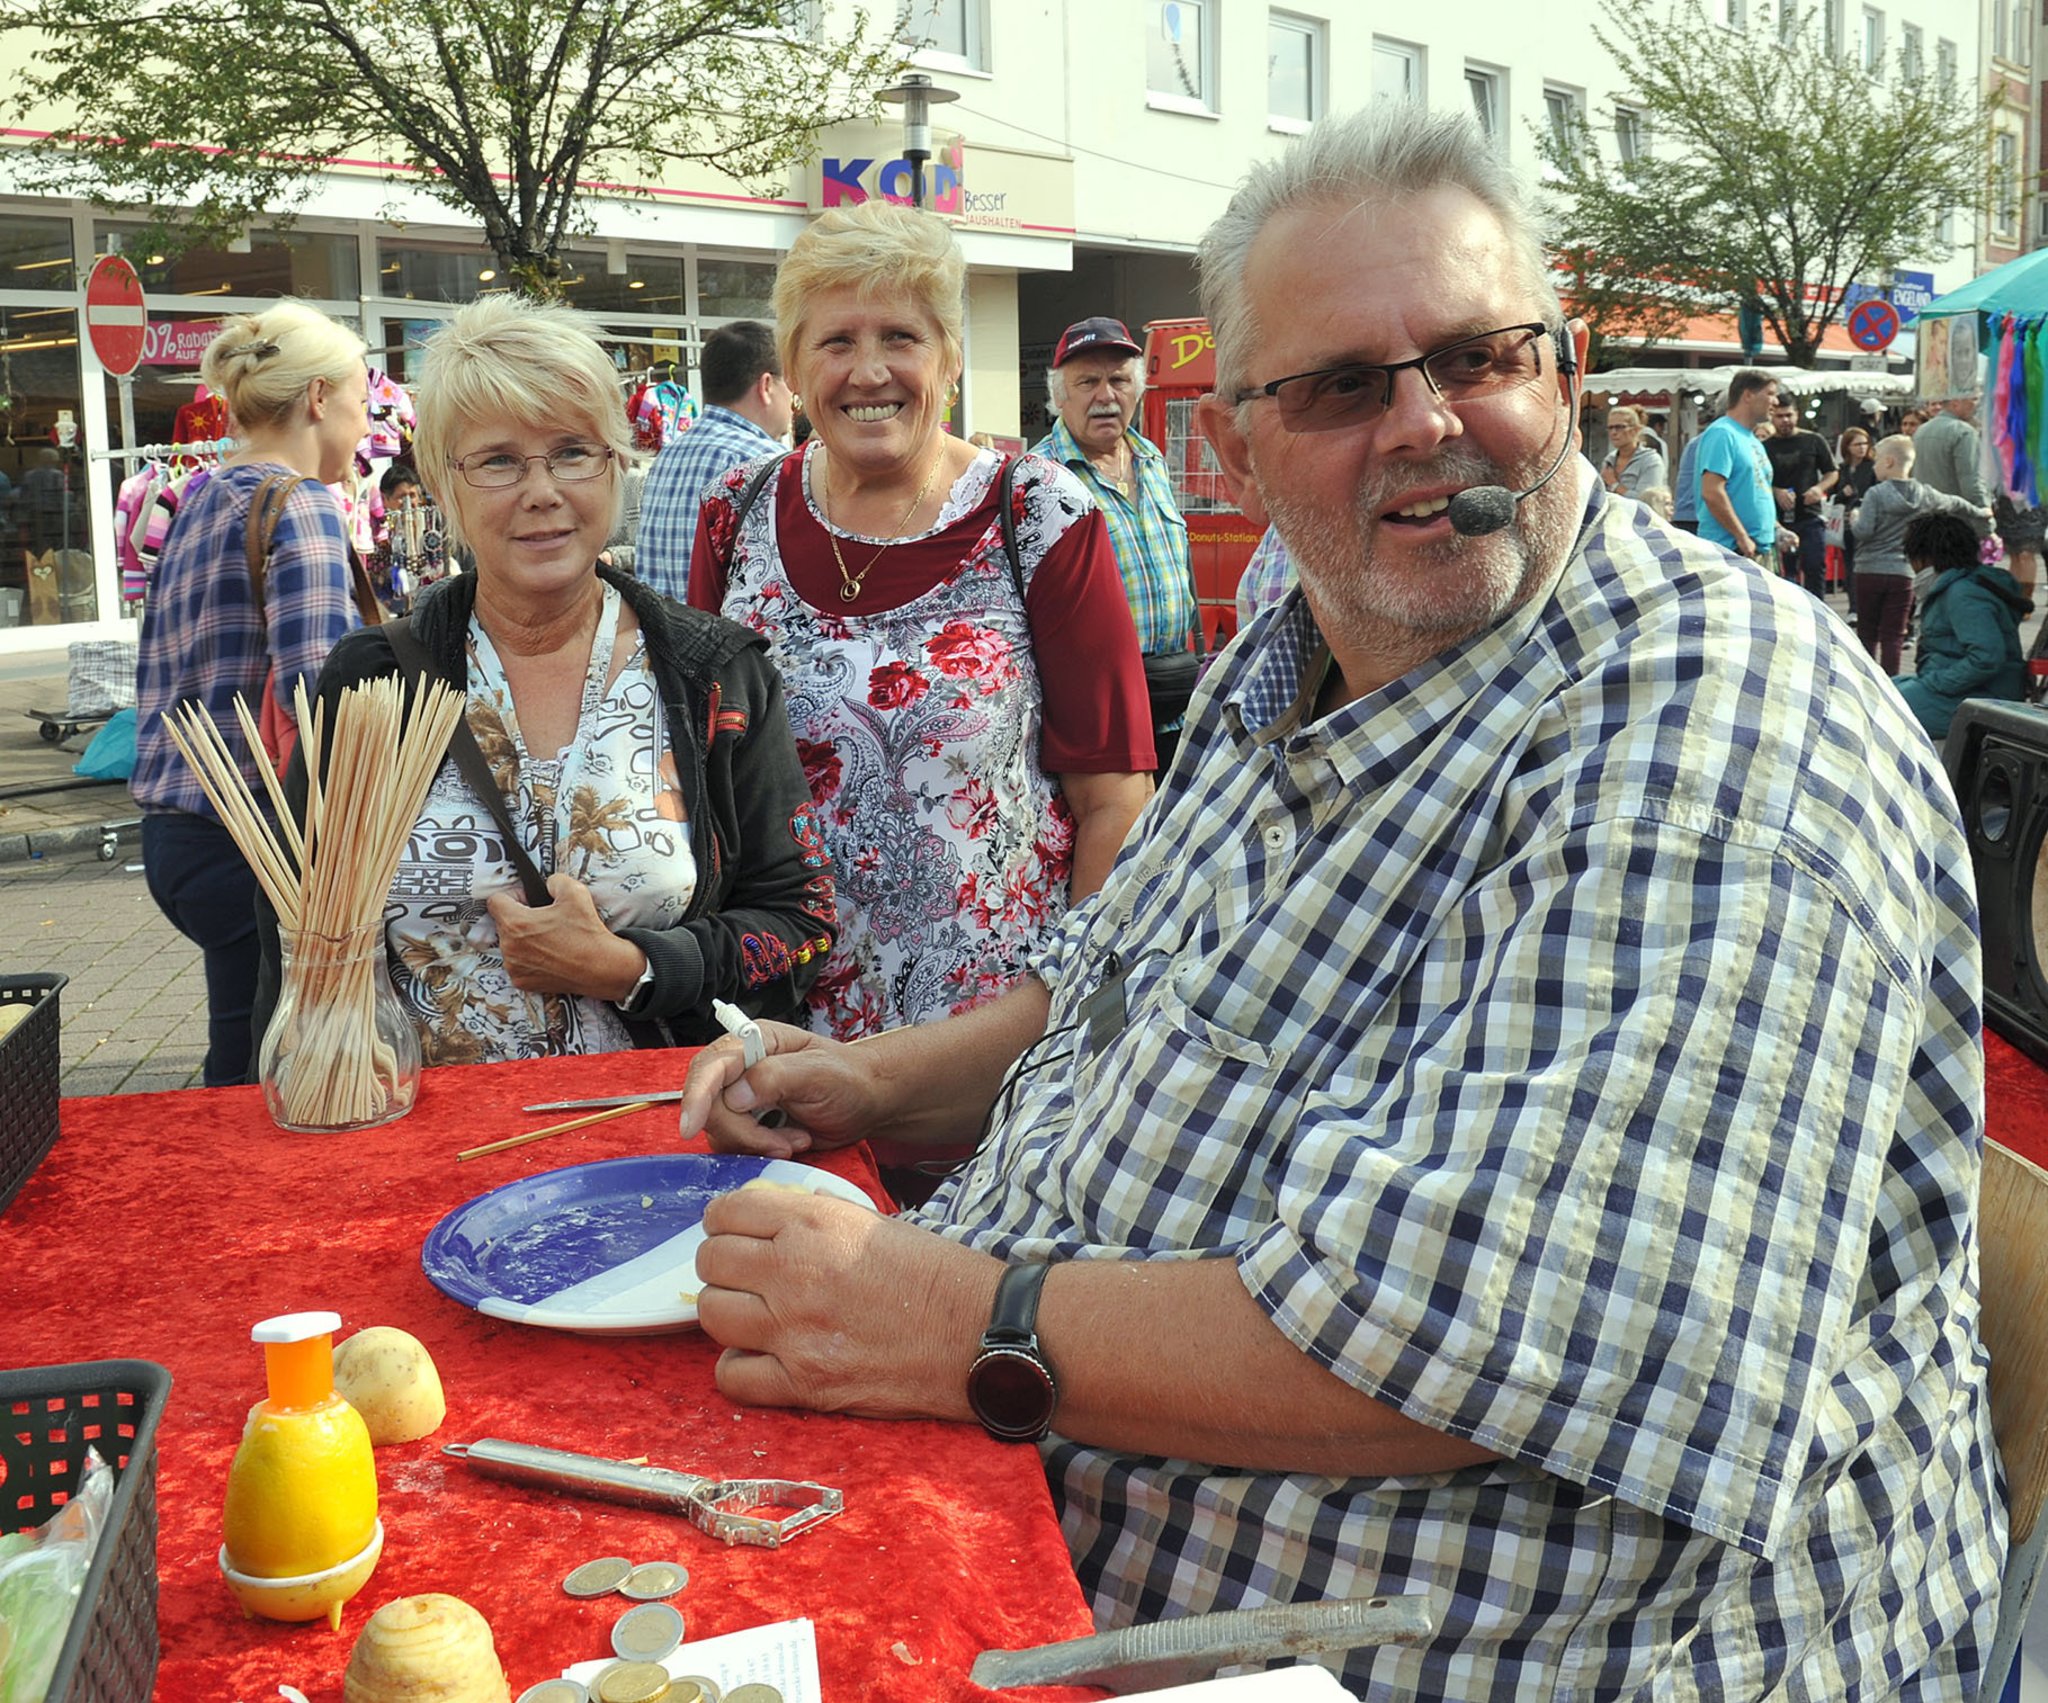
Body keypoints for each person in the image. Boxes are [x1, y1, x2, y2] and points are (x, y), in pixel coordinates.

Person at [675, 103, 2002, 1698]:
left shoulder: (1719, 720)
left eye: (1479, 356)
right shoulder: (1300, 641)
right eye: (1342, 387)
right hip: (1028, 1521)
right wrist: (867, 1081)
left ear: (1567, 376)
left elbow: (1511, 1335)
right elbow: (1105, 986)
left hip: (1478, 1652)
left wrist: (955, 1318)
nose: (1427, 422)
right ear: (1234, 451)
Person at [258, 294, 835, 1063]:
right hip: (423, 1124)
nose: (541, 490)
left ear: (616, 466)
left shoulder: (714, 674)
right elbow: (293, 938)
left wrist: (634, 967)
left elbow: (800, 925)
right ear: (444, 484)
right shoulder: (376, 682)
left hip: (662, 1117)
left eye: (571, 451)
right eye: (498, 460)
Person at [689, 200, 1153, 1058]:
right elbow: (704, 777)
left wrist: (1068, 1025)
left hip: (987, 1045)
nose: (869, 372)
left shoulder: (1039, 514)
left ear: (950, 356)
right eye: (835, 342)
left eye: (901, 337)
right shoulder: (734, 515)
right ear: (793, 366)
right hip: (778, 1034)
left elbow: (1114, 800)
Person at [130, 302, 375, 1087]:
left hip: (177, 832)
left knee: (239, 1050)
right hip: (254, 839)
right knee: (271, 1071)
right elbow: (320, 698)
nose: (367, 425)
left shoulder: (201, 497)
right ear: (317, 398)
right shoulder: (301, 504)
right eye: (361, 401)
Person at [1035, 317, 1202, 775]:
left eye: (1119, 380)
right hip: (1098, 718)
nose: (1106, 396)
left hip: (1176, 706)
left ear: (1138, 389)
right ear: (1059, 396)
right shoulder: (1038, 478)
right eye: (1088, 382)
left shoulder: (1152, 461)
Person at [636, 321, 793, 599]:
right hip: (721, 626)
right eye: (791, 385)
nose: (794, 400)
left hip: (657, 625)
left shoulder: (667, 456)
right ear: (767, 386)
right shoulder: (768, 464)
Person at [1851, 434, 1991, 674]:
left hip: (1869, 570)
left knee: (1867, 632)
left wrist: (1855, 517)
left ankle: (1865, 680)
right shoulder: (1926, 494)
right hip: (1904, 573)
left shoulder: (1876, 494)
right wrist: (1981, 512)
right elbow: (1956, 503)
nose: (1873, 466)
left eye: (1877, 460)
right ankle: (1892, 683)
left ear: (1889, 461)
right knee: (1894, 635)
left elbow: (1863, 532)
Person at [1894, 509, 2032, 739]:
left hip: (1983, 696)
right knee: (1877, 687)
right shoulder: (1961, 584)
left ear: (1926, 557)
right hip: (1961, 687)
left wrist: (1936, 684)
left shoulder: (1963, 593)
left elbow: (1986, 657)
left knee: (1881, 709)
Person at [1693, 369, 1778, 566]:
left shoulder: (1752, 439)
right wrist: (1741, 536)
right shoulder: (1722, 433)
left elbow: (1758, 493)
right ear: (1748, 395)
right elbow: (1712, 492)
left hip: (1755, 549)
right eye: (1770, 394)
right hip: (1731, 550)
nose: (1775, 401)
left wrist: (1777, 529)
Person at [1763, 396, 1837, 599]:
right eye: (1780, 416)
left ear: (1797, 415)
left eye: (1789, 415)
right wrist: (1776, 491)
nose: (1785, 420)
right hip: (1779, 520)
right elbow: (1757, 481)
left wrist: (1818, 489)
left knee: (1815, 566)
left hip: (1810, 516)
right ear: (1772, 417)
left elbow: (1832, 472)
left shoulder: (1813, 440)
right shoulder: (1765, 447)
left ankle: (1819, 609)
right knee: (1786, 575)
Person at [1913, 392, 1992, 531]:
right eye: (1973, 399)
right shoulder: (1964, 432)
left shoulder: (1921, 431)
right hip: (1956, 520)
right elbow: (1971, 480)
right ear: (1956, 403)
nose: (1976, 404)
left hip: (1925, 516)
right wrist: (1985, 522)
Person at [1832, 423, 1877, 596]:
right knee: (1849, 563)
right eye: (1857, 444)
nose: (1862, 448)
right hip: (1845, 523)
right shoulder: (1841, 469)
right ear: (1847, 447)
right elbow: (1832, 497)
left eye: (1865, 443)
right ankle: (1853, 604)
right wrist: (1842, 494)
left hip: (1865, 519)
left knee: (1863, 563)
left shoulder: (1872, 467)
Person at [1598, 403, 1666, 499]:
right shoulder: (1609, 460)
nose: (1613, 432)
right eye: (1610, 428)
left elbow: (1647, 500)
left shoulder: (1651, 461)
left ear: (1636, 430)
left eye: (1619, 427)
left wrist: (1614, 485)